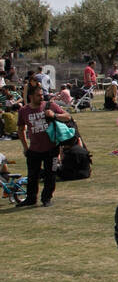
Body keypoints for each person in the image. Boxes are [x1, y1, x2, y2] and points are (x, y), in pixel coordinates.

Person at [15, 80, 74, 208]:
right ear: (31, 97)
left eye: (42, 94)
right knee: (32, 176)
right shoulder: (24, 111)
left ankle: (46, 198)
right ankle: (31, 198)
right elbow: (20, 129)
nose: (41, 97)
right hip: (34, 149)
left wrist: (55, 115)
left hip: (51, 148)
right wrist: (25, 147)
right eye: (38, 95)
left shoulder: (49, 105)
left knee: (50, 175)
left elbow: (68, 117)